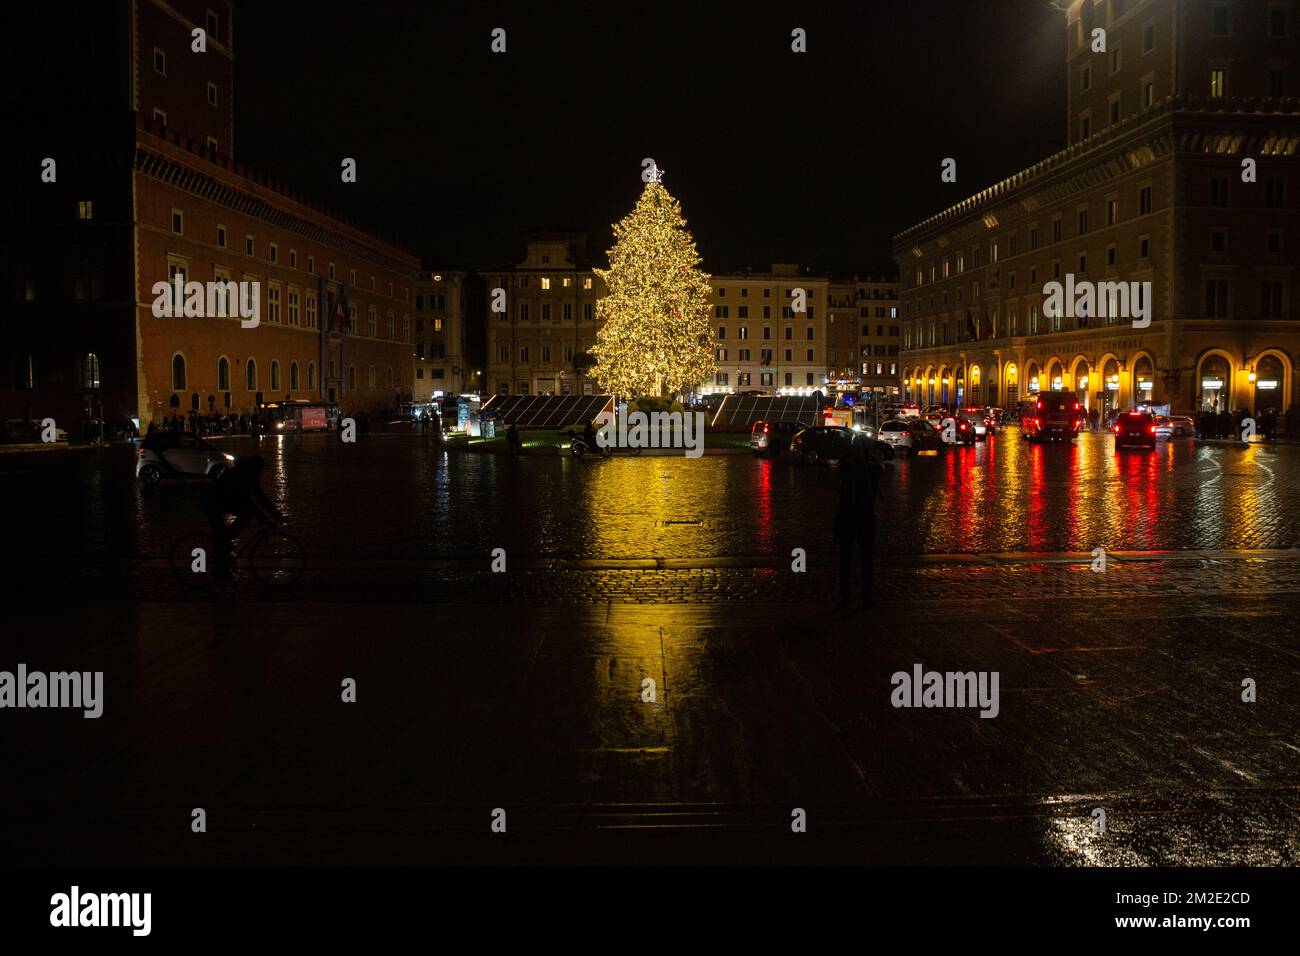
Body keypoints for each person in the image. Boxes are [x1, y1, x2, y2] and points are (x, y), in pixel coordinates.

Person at [200, 454, 283, 574]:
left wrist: (275, 514)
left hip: (223, 501)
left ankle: (228, 538)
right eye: (259, 470)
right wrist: (268, 519)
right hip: (212, 503)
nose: (260, 473)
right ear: (254, 468)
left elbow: (260, 497)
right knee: (222, 535)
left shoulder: (248, 475)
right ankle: (219, 569)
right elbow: (251, 502)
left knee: (242, 516)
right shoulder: (241, 476)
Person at [834, 435, 884, 609]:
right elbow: (879, 466)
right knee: (866, 558)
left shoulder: (846, 468)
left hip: (847, 516)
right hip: (866, 516)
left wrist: (852, 452)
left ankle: (845, 596)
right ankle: (866, 595)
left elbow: (839, 466)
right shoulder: (874, 469)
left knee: (845, 559)